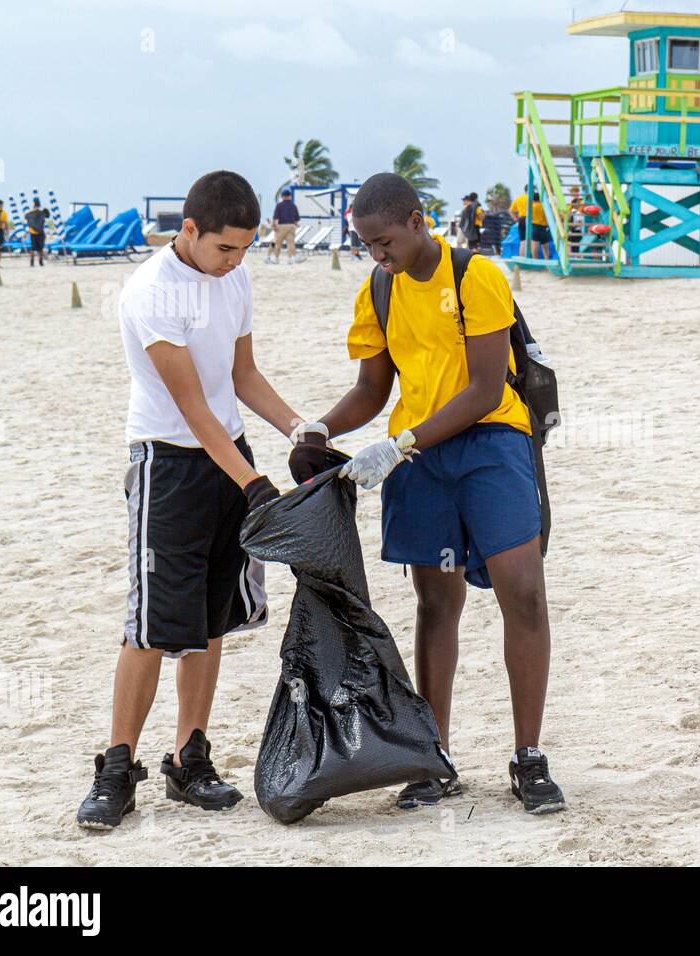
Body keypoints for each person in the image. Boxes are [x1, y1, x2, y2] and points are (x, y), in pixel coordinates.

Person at [287, 172, 565, 815]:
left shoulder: (476, 276)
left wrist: (399, 445)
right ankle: (433, 758)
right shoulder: (380, 291)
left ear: (417, 221)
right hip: (418, 458)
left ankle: (528, 758)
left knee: (522, 592)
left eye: (383, 241)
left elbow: (486, 389)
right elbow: (371, 391)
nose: (376, 255)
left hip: (491, 445)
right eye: (366, 245)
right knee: (435, 605)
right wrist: (320, 427)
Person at [75, 170, 312, 830]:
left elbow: (241, 378)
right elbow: (192, 405)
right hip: (169, 462)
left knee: (212, 618)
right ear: (189, 231)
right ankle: (116, 769)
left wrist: (299, 427)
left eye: (245, 249)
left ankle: (189, 759)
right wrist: (254, 483)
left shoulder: (234, 276)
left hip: (228, 455)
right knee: (151, 622)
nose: (236, 262)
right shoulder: (151, 291)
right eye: (225, 249)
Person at [510, 188, 549, 259]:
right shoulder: (542, 205)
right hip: (536, 223)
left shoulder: (519, 198)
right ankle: (546, 260)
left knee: (523, 241)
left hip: (522, 219)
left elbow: (510, 210)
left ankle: (523, 258)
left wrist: (515, 219)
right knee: (544, 245)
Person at [267, 187, 302, 264]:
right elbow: (296, 220)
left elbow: (276, 218)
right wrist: (296, 224)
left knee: (277, 243)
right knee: (291, 243)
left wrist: (274, 226)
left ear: (282, 196)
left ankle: (275, 258)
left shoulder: (279, 205)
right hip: (291, 226)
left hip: (281, 226)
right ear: (290, 196)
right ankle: (290, 259)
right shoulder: (294, 205)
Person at [25, 198, 51, 267]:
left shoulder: (29, 213)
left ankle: (32, 261)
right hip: (40, 232)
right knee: (40, 248)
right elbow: (48, 215)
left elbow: (27, 219)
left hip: (33, 232)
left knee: (33, 248)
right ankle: (40, 261)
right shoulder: (42, 213)